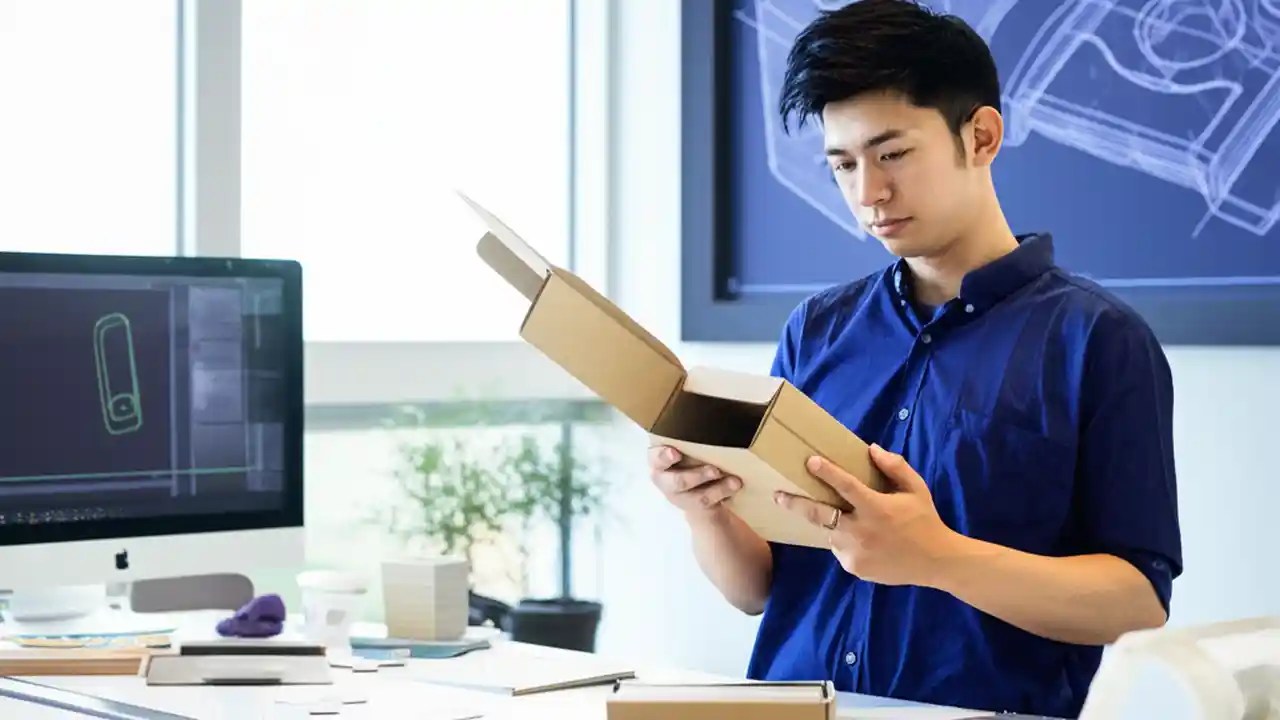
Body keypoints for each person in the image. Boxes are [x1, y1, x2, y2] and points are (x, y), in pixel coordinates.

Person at [647, 1, 1182, 716]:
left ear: (982, 136)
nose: (868, 194)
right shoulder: (817, 329)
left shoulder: (1099, 340)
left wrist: (937, 557)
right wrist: (707, 512)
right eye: (843, 165)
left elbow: (1137, 602)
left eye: (892, 154)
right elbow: (760, 591)